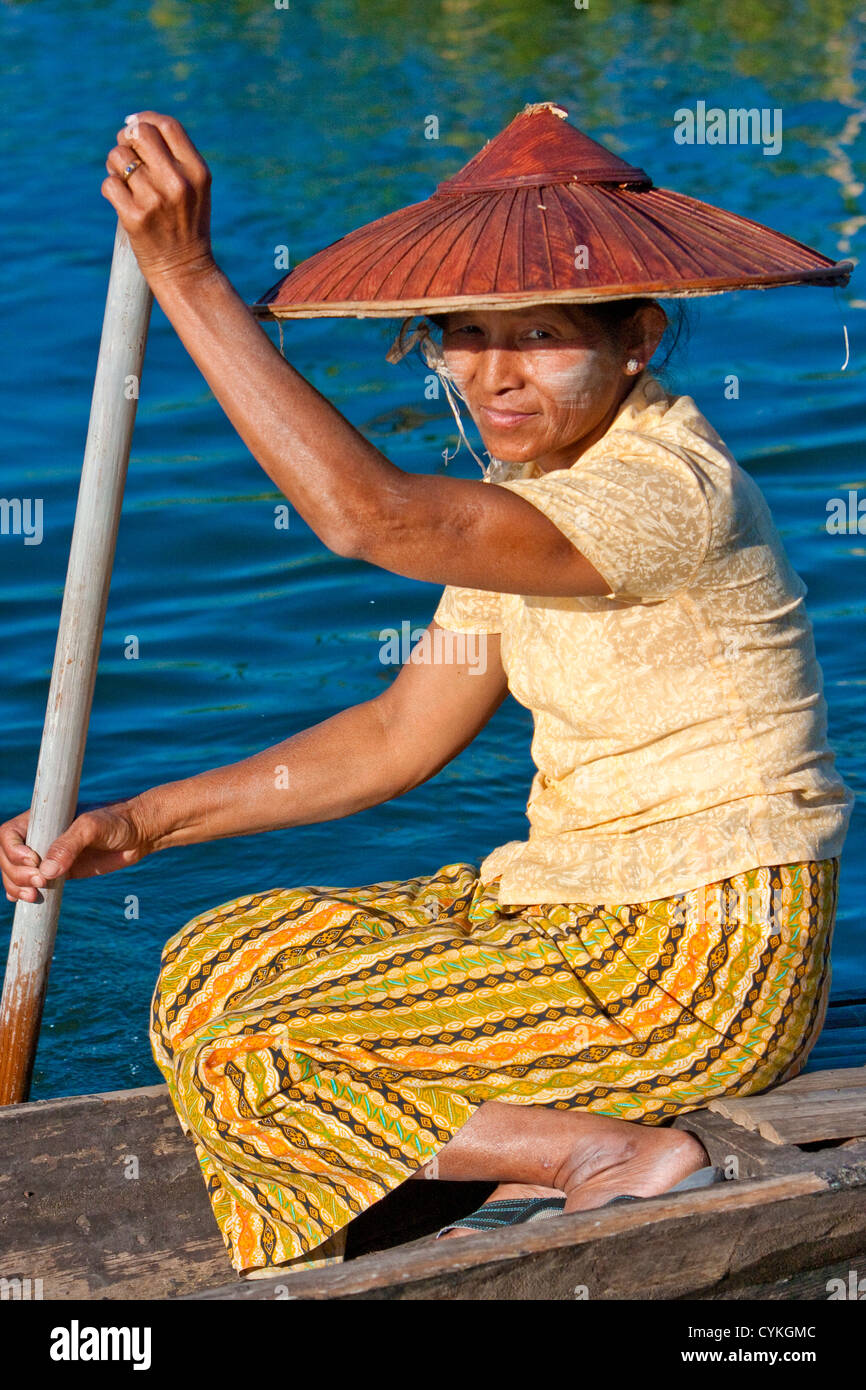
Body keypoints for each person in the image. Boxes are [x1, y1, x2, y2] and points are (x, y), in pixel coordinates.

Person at [0, 111, 853, 1276]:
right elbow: (401, 731)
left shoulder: (661, 493)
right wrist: (140, 823)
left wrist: (186, 277)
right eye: (465, 335)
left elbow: (371, 518)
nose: (491, 375)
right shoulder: (536, 492)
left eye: (542, 337)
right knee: (216, 956)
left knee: (253, 1034)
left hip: (698, 959)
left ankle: (603, 1158)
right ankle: (503, 1156)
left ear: (638, 338)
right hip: (569, 919)